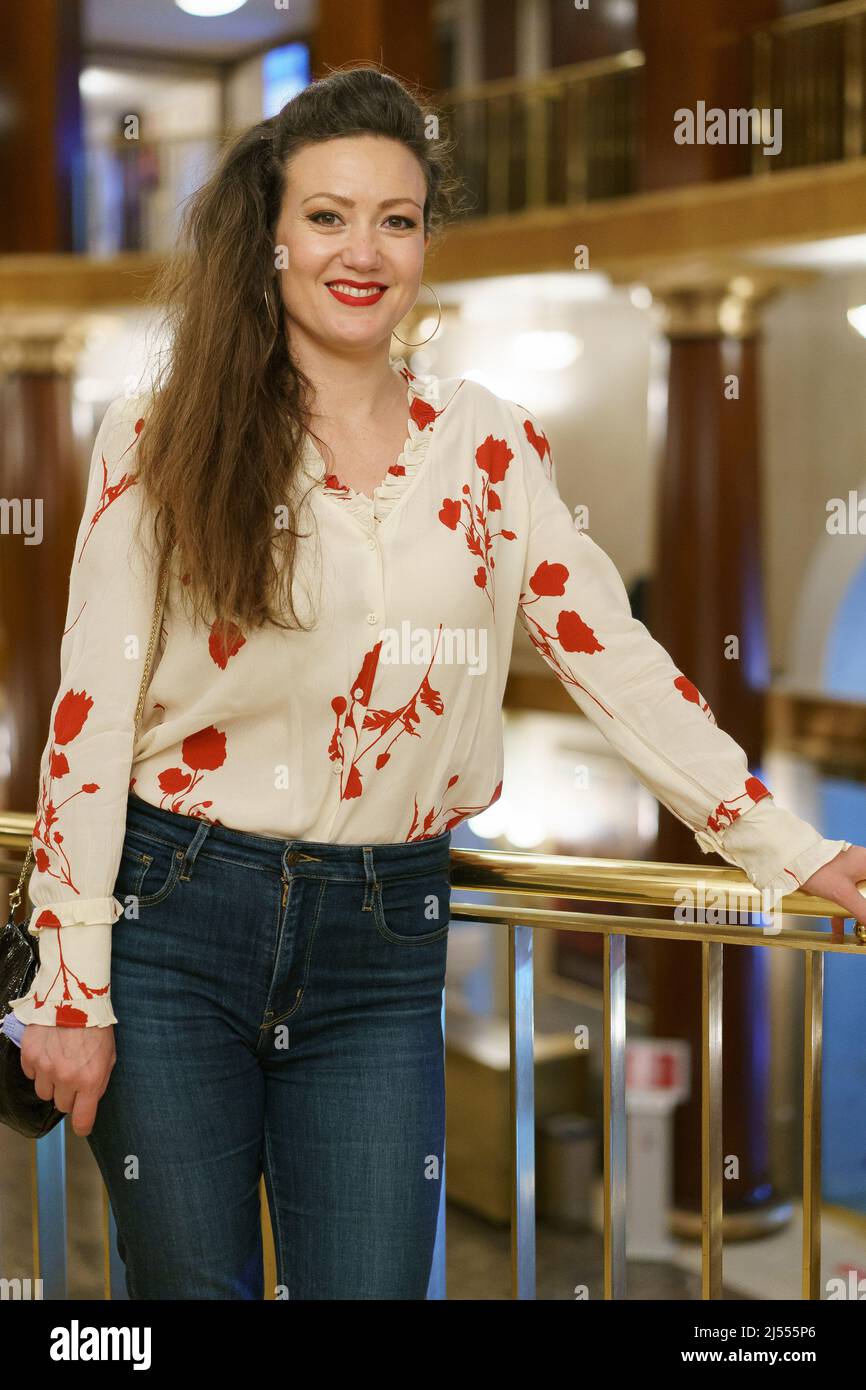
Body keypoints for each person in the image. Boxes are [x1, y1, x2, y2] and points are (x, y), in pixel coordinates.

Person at [11, 64, 866, 1300]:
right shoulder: (157, 436)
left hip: (381, 933)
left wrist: (790, 846)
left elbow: (612, 658)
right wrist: (71, 981)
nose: (363, 250)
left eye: (396, 220)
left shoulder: (489, 444)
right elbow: (87, 718)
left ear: (422, 243)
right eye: (326, 215)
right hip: (173, 916)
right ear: (270, 238)